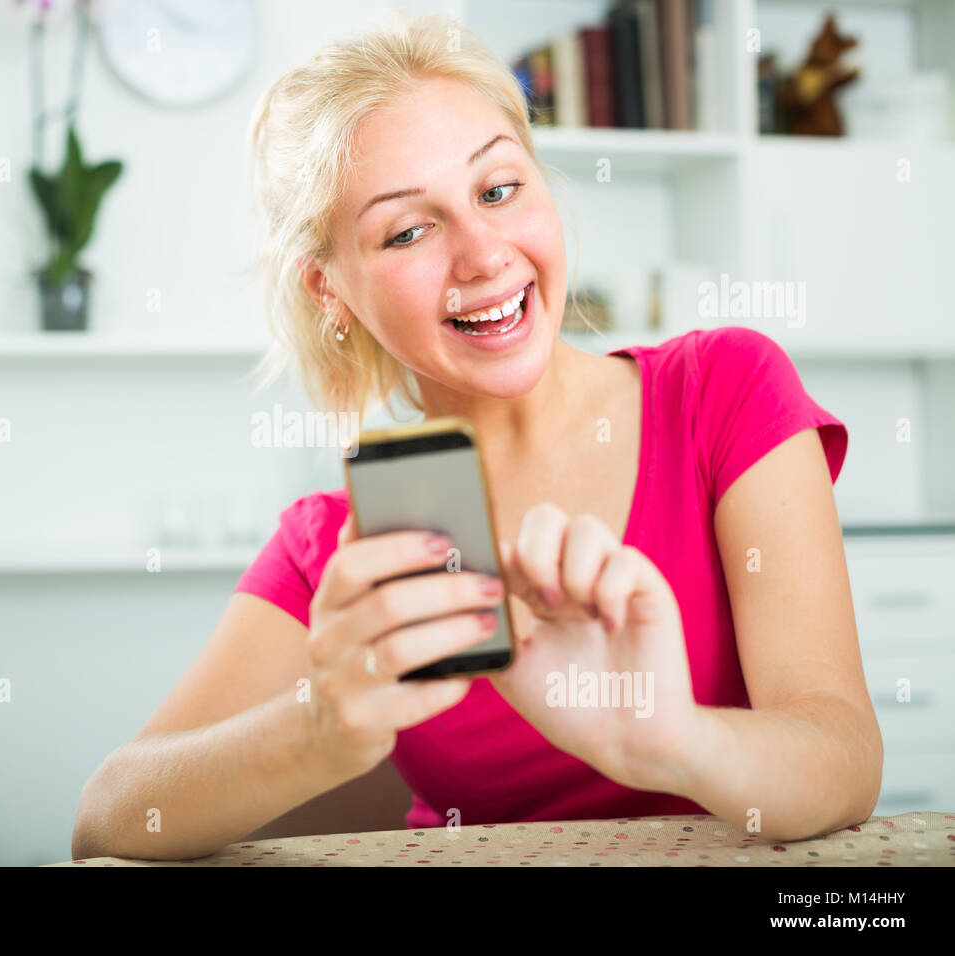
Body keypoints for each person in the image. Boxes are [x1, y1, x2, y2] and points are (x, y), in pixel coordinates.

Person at [71, 12, 880, 862]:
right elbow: (110, 820)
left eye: (498, 190)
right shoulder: (334, 547)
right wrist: (317, 730)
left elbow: (845, 757)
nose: (485, 255)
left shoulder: (724, 392)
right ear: (330, 289)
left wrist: (672, 738)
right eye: (408, 231)